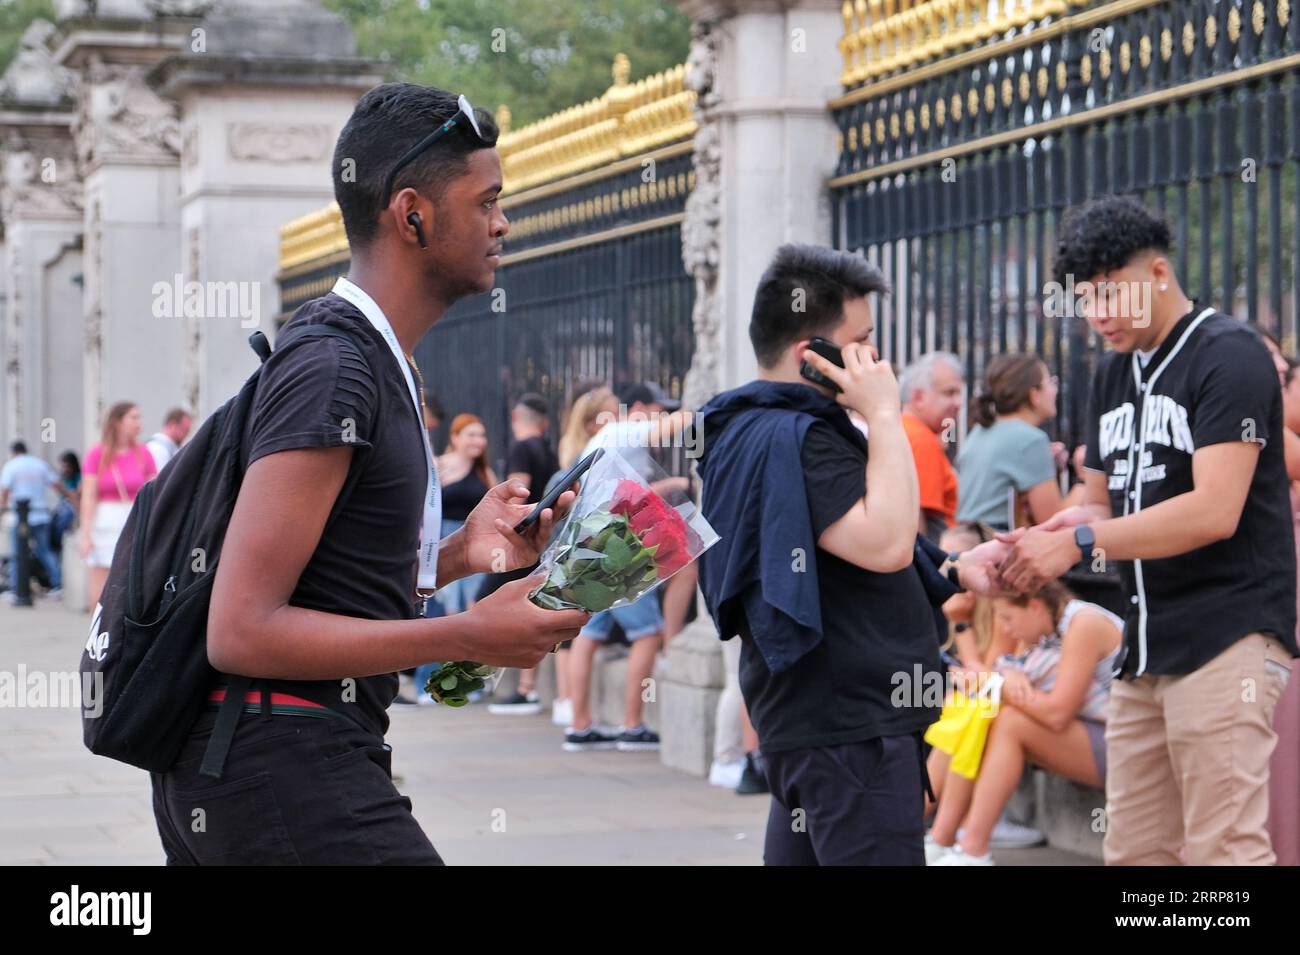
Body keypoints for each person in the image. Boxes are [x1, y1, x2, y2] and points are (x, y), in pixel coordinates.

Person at [149, 83, 589, 865]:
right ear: (413, 213)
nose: (502, 222)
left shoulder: (378, 361)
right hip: (274, 759)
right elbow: (241, 627)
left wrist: (458, 556)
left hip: (285, 754)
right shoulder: (335, 366)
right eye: (487, 200)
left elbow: (332, 579)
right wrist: (468, 633)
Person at [1001, 195, 1298, 865]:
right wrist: (1037, 540)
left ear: (1158, 272)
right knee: (1136, 852)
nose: (1097, 315)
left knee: (1224, 850)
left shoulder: (1231, 355)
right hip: (1144, 645)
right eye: (1086, 300)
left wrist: (1079, 541)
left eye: (1110, 294)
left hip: (1228, 633)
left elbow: (1214, 510)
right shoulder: (1112, 373)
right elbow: (1099, 503)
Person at [695, 243, 1010, 865]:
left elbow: (836, 542)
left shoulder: (749, 427)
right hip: (850, 734)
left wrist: (952, 567)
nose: (875, 361)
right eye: (862, 341)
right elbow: (886, 544)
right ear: (811, 357)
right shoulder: (799, 436)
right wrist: (886, 414)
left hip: (815, 728)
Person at [927, 581, 1122, 865]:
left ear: (1034, 604)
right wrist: (1008, 675)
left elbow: (1057, 714)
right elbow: (1004, 667)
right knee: (981, 711)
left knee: (1009, 721)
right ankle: (943, 838)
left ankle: (972, 848)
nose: (1005, 629)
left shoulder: (1084, 624)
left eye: (1007, 618)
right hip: (1100, 735)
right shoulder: (1046, 625)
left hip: (1130, 749)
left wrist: (1001, 685)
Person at [410, 413, 497, 704]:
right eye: (471, 434)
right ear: (455, 438)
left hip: (475, 543)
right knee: (439, 612)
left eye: (481, 435)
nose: (478, 441)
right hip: (442, 542)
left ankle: (466, 683)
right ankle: (429, 683)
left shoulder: (486, 474)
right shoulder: (440, 466)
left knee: (472, 613)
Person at [489, 392, 560, 715]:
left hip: (518, 542)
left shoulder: (521, 448)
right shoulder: (547, 448)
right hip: (542, 539)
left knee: (484, 604)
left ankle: (492, 679)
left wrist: (503, 531)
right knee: (530, 606)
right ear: (544, 422)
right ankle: (526, 687)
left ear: (516, 418)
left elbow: (520, 493)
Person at [955, 354, 1065, 532]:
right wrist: (1084, 485)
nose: (1055, 389)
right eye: (1050, 382)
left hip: (968, 547)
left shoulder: (979, 432)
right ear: (1034, 395)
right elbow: (1053, 525)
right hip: (999, 549)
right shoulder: (1031, 440)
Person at [80, 403, 158, 610]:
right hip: (105, 521)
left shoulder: (144, 453)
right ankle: (100, 633)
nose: (138, 423)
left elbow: (155, 491)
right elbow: (89, 495)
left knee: (134, 578)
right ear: (118, 421)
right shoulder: (97, 454)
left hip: (135, 519)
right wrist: (86, 533)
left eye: (139, 418)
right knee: (101, 583)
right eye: (133, 418)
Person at [898, 352, 963, 542]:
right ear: (918, 397)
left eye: (959, 393)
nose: (958, 403)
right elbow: (922, 528)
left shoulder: (900, 430)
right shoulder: (922, 440)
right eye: (949, 393)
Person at [0, 441, 75, 598]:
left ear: (14, 452)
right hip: (41, 515)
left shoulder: (11, 466)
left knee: (17, 553)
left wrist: (3, 510)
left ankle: (17, 588)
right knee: (45, 551)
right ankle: (57, 584)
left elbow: (5, 491)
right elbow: (57, 485)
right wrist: (71, 497)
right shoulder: (39, 464)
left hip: (19, 518)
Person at [145, 407, 194, 474]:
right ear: (172, 425)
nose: (186, 435)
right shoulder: (157, 448)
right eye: (184, 430)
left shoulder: (172, 448)